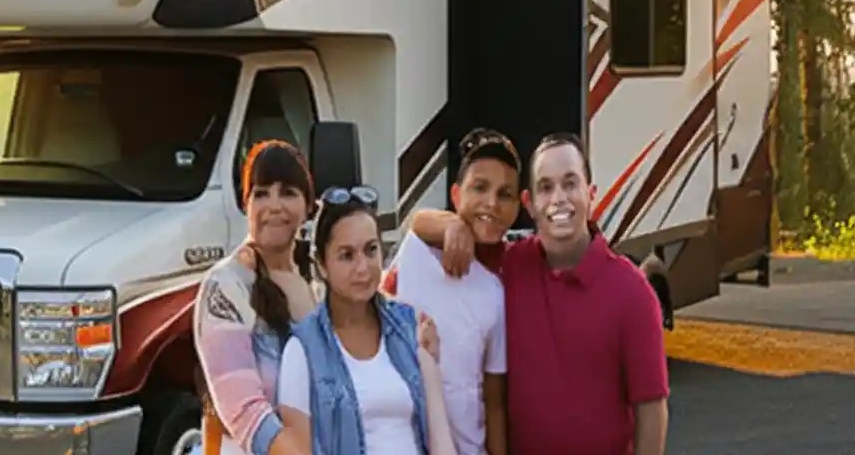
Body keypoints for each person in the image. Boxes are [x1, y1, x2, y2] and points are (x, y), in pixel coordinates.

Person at [409, 132, 670, 455]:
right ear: (529, 205)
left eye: (570, 183)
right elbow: (419, 224)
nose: (558, 198)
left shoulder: (633, 293)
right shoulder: (511, 264)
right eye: (546, 187)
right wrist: (453, 227)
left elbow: (651, 410)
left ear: (591, 195)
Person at [277, 185, 458, 455]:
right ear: (322, 265)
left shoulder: (409, 326)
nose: (363, 267)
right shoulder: (302, 348)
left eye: (371, 250)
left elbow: (440, 438)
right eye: (347, 255)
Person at [382, 128, 519, 455]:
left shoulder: (501, 282)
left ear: (517, 206)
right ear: (456, 196)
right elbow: (415, 223)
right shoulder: (418, 251)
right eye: (480, 188)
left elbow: (494, 398)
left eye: (504, 194)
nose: (491, 203)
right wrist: (451, 226)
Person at [193, 139, 319, 455]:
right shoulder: (226, 286)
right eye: (261, 194)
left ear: (308, 206)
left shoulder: (321, 280)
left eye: (288, 192)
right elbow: (245, 413)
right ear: (246, 205)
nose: (274, 205)